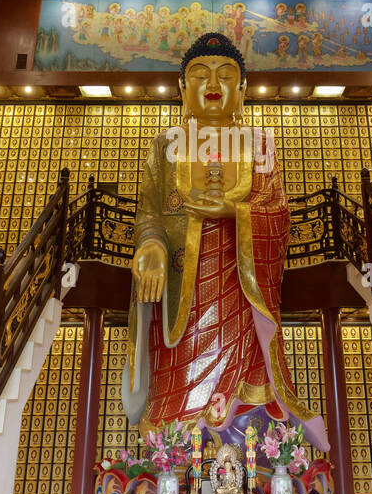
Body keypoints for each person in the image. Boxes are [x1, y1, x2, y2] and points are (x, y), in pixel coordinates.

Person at [124, 32, 329, 452]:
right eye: (199, 74)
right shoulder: (165, 145)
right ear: (182, 88)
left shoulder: (261, 144)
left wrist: (233, 213)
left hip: (242, 289)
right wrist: (150, 247)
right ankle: (175, 456)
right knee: (178, 385)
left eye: (226, 74)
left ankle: (259, 454)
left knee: (249, 388)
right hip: (184, 288)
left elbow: (278, 211)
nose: (213, 84)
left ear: (243, 89)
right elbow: (150, 213)